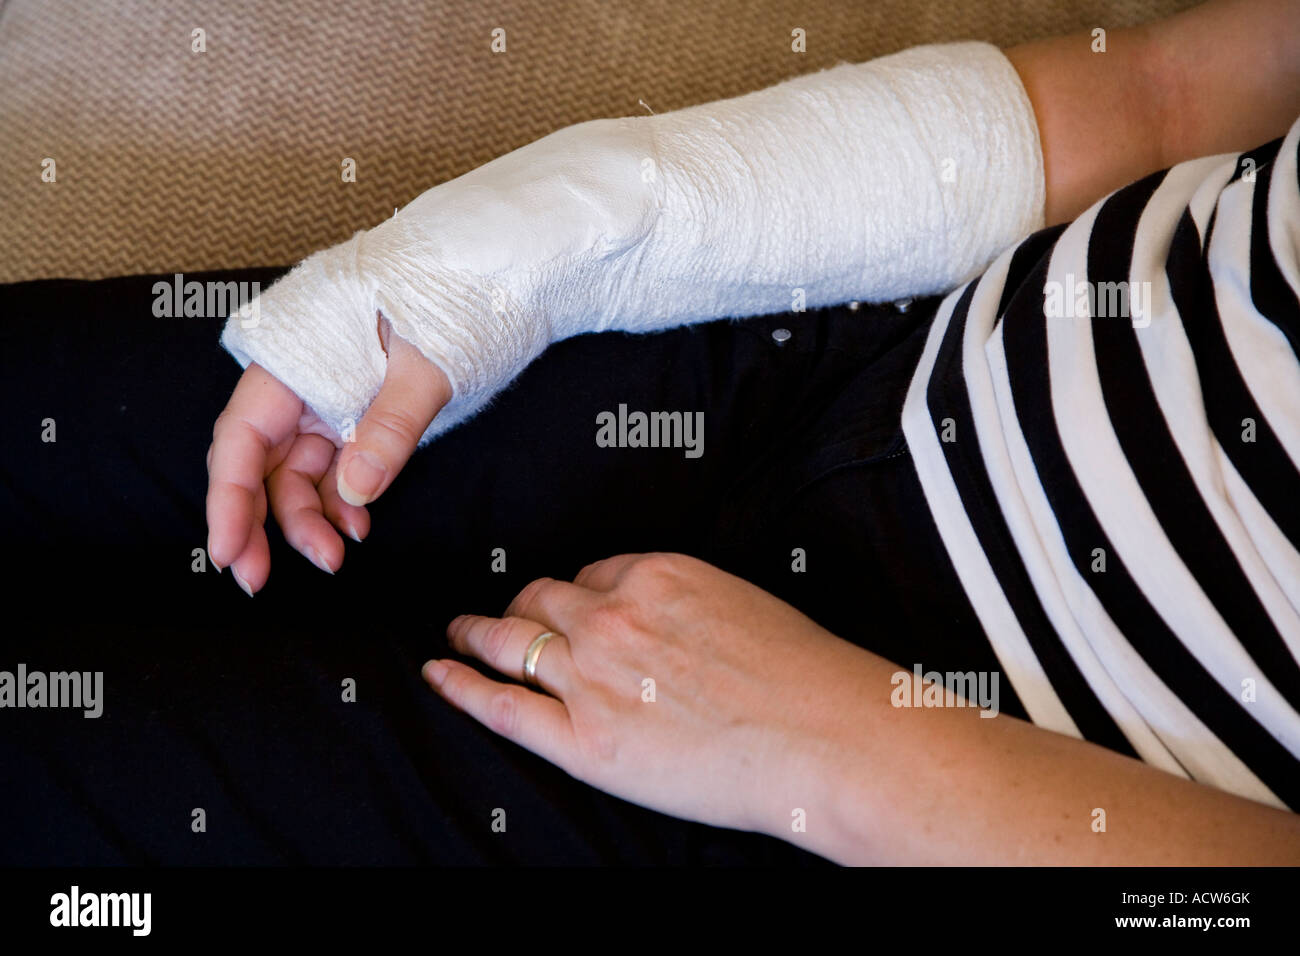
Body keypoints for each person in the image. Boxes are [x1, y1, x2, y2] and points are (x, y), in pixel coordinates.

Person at [4, 0, 1298, 865]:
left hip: (966, 781)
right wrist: (576, 228)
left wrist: (845, 751)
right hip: (869, 337)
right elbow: (1174, 95)